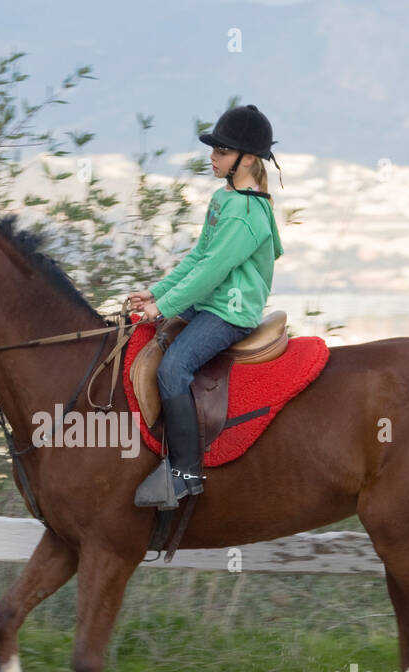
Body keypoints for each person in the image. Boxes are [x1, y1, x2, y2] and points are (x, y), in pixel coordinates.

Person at [126, 104, 284, 510]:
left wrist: (164, 307)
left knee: (174, 368)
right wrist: (156, 294)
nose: (212, 156)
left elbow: (213, 272)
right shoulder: (224, 198)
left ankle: (185, 473)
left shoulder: (248, 213)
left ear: (247, 159)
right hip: (206, 303)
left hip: (228, 313)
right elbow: (199, 257)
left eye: (222, 150)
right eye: (214, 149)